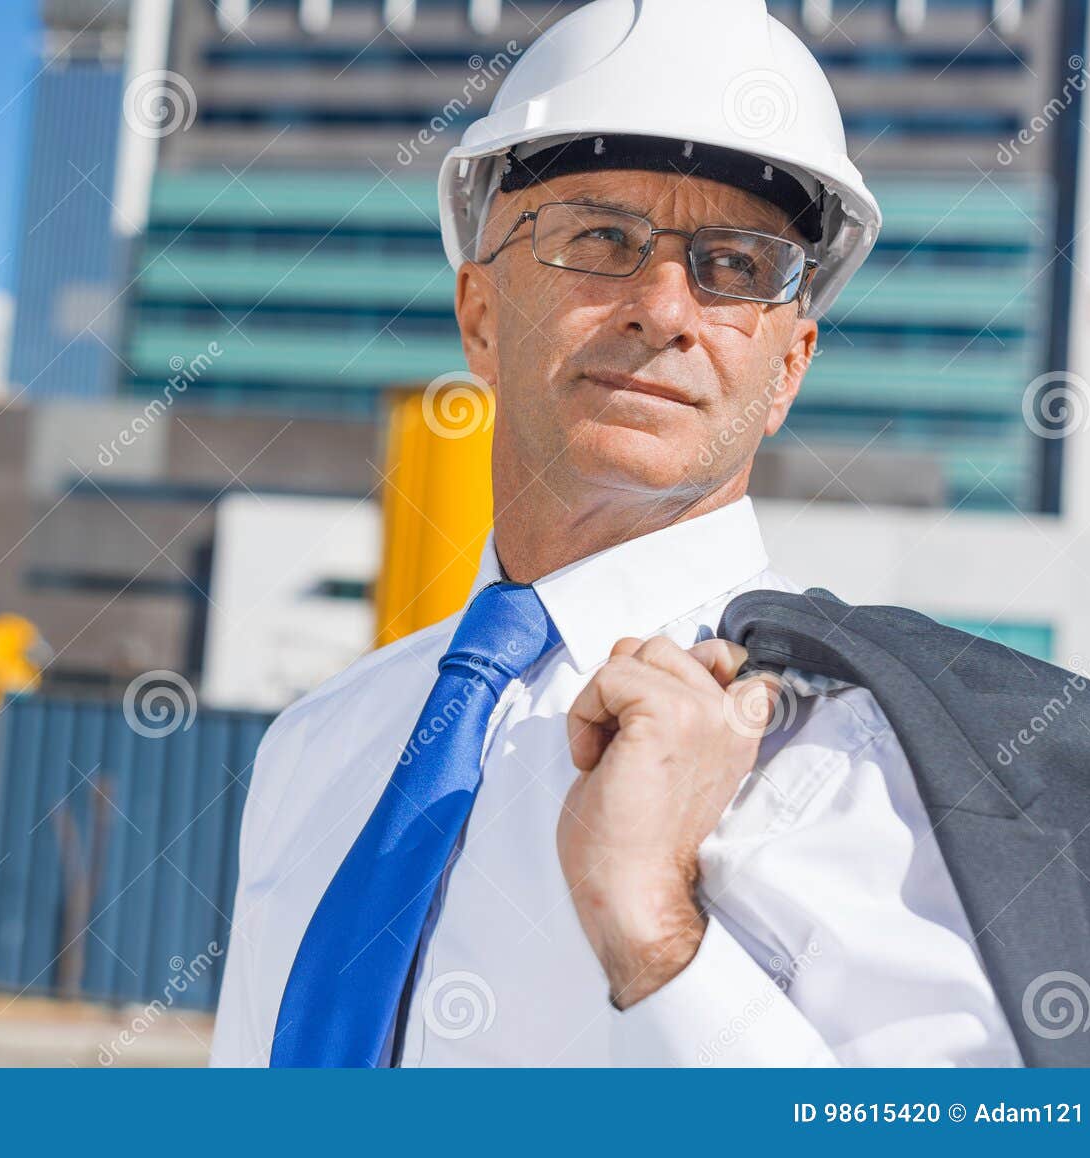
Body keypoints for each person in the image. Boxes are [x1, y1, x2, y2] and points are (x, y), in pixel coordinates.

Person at [209, 0, 1022, 1067]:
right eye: (600, 238)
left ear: (788, 367)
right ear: (480, 317)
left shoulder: (881, 770)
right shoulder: (319, 746)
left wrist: (656, 940)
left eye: (735, 265)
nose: (664, 307)